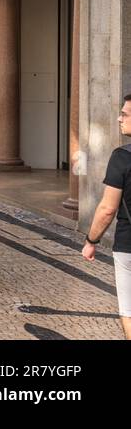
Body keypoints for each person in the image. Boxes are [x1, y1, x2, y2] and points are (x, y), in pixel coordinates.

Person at [82, 96, 131, 339]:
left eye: (126, 114)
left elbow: (107, 209)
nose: (120, 118)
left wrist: (91, 241)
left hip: (129, 244)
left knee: (129, 309)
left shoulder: (122, 157)